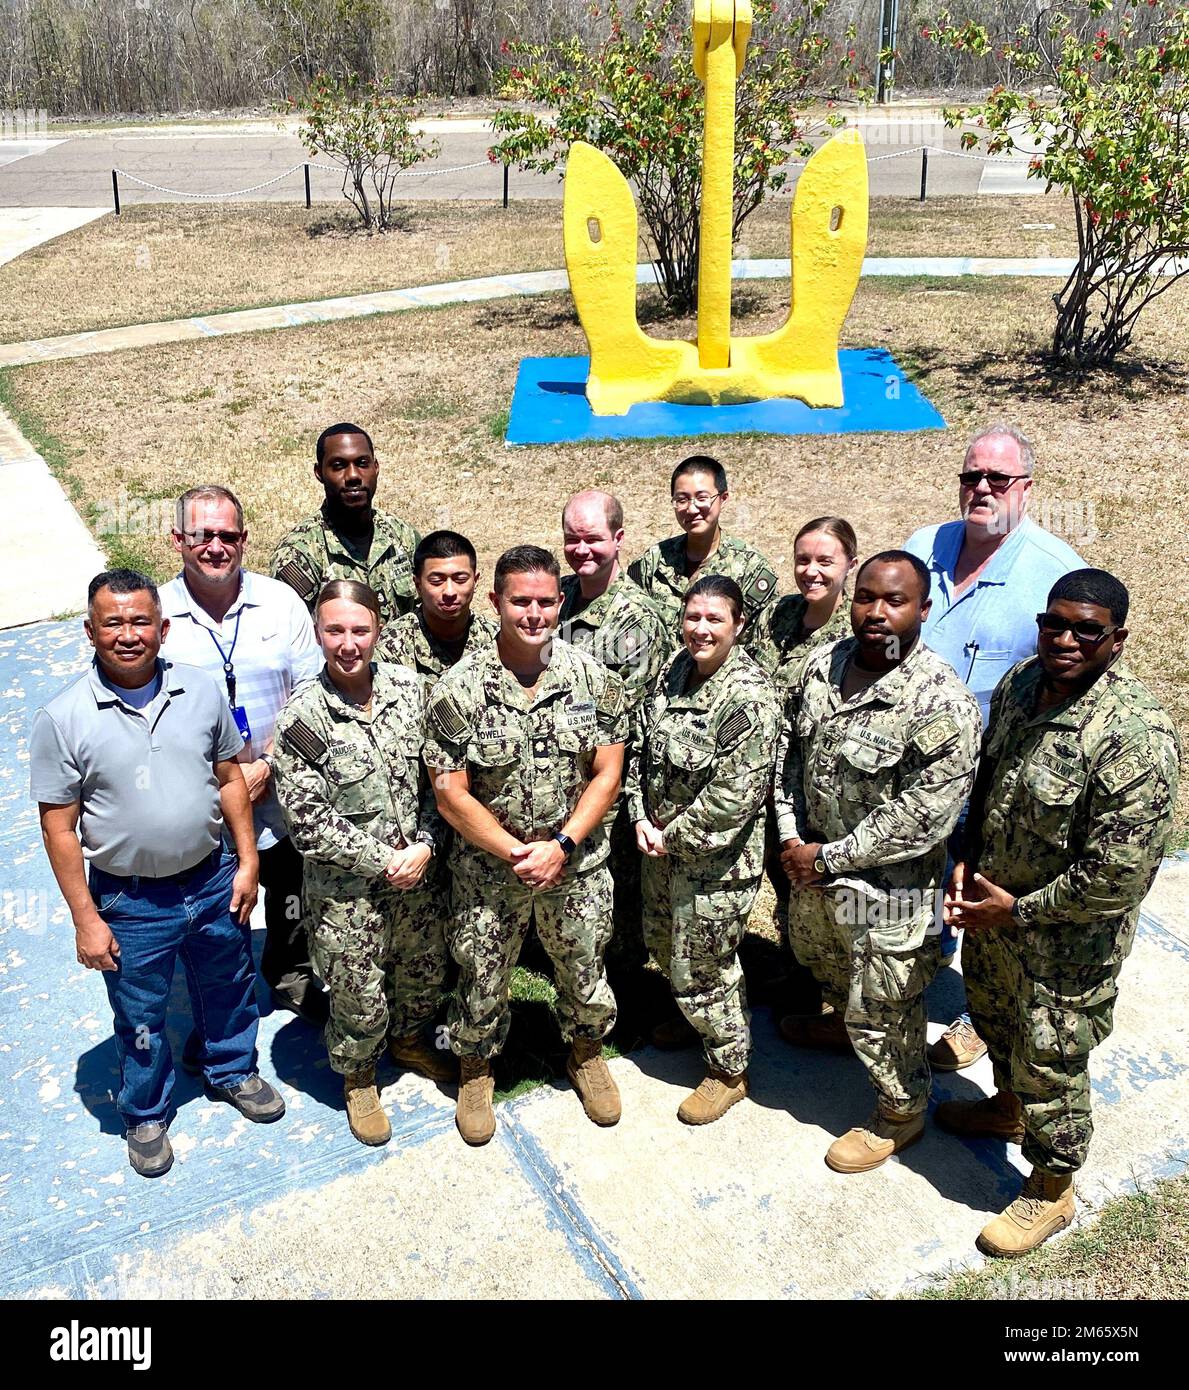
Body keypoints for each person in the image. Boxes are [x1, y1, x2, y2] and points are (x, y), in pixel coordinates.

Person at [937, 570, 1180, 1257]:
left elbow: (1119, 875)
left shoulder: (1134, 737)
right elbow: (987, 780)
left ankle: (1050, 1187)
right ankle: (1006, 1109)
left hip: (1065, 942)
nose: (1065, 639)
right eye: (1054, 623)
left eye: (1085, 630)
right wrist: (964, 854)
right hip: (994, 914)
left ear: (1117, 640)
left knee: (1053, 1060)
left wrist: (1016, 910)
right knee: (993, 1019)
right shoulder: (1020, 684)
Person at [30, 570, 285, 1179]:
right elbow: (58, 829)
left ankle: (232, 1069)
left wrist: (248, 861)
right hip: (130, 899)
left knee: (228, 983)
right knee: (141, 1015)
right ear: (90, 632)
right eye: (112, 622)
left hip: (212, 876)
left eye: (140, 621)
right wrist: (86, 920)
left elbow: (230, 780)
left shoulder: (198, 692)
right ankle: (145, 1112)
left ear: (162, 628)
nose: (127, 634)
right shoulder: (63, 718)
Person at [775, 551, 980, 1173]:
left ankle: (901, 1111)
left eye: (895, 601)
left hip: (886, 892)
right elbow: (789, 757)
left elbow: (925, 817)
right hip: (813, 874)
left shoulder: (942, 702)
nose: (877, 613)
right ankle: (844, 1027)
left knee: (887, 1008)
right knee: (831, 969)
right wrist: (789, 837)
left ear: (923, 608)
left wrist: (827, 859)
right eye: (867, 597)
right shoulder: (821, 667)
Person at [424, 545, 626, 1147]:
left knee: (584, 966)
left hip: (576, 866)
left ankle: (585, 1052)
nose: (533, 614)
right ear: (495, 603)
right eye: (520, 601)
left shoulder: (593, 680)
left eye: (545, 601)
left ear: (560, 603)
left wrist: (561, 844)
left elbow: (607, 773)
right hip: (491, 872)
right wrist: (518, 851)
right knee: (481, 973)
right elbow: (449, 793)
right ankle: (477, 1067)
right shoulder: (458, 690)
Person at [905, 423, 1085, 1074]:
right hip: (915, 773)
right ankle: (902, 988)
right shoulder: (923, 547)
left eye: (996, 478)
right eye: (970, 476)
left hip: (997, 781)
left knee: (981, 898)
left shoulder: (1055, 573)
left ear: (1025, 488)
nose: (980, 488)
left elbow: (1075, 679)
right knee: (915, 890)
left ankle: (976, 1020)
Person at [273, 581, 454, 1146]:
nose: (348, 644)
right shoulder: (303, 717)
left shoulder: (410, 691)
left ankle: (411, 1040)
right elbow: (307, 820)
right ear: (318, 633)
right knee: (357, 990)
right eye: (334, 631)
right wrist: (385, 861)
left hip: (418, 879)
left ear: (378, 631)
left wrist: (424, 844)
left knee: (422, 974)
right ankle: (358, 1075)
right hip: (347, 893)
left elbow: (439, 779)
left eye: (359, 630)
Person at [160, 485, 327, 1029]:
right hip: (199, 797)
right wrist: (225, 779)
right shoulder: (157, 615)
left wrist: (270, 765)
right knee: (214, 911)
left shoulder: (281, 603)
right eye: (202, 535)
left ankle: (290, 975)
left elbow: (313, 693)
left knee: (290, 893)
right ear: (177, 539)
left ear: (244, 539)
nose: (215, 546)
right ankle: (217, 1018)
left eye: (227, 535)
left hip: (281, 783)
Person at [627, 576, 780, 1123]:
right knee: (670, 952)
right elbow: (641, 752)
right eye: (693, 617)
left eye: (715, 619)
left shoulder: (749, 698)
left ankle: (728, 1068)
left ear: (739, 625)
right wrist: (640, 817)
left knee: (705, 968)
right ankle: (700, 1026)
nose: (701, 628)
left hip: (714, 866)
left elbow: (734, 796)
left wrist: (670, 835)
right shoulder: (673, 674)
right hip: (661, 851)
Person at [748, 516, 859, 1021]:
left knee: (819, 891)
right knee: (782, 878)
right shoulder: (781, 614)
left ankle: (835, 1000)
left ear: (849, 566)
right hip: (762, 777)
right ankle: (796, 976)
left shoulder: (853, 636)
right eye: (803, 560)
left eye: (824, 561)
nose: (811, 571)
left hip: (813, 783)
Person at [559, 490, 669, 983]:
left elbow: (626, 715)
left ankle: (623, 981)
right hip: (560, 772)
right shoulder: (558, 598)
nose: (581, 550)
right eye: (572, 539)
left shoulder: (634, 620)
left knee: (616, 890)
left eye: (593, 539)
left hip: (613, 779)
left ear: (619, 539)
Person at [272, 423, 421, 625]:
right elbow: (296, 640)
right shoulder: (299, 554)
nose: (353, 476)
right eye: (339, 466)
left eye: (362, 463)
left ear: (376, 468)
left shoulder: (403, 536)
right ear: (319, 472)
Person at [628, 455, 779, 638]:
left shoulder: (752, 569)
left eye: (702, 497)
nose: (692, 509)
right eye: (682, 500)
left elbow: (760, 640)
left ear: (723, 498)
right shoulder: (653, 561)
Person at [374, 530, 497, 688]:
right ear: (418, 585)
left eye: (460, 579)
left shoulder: (497, 640)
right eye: (437, 581)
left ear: (475, 581)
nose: (450, 592)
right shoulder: (390, 648)